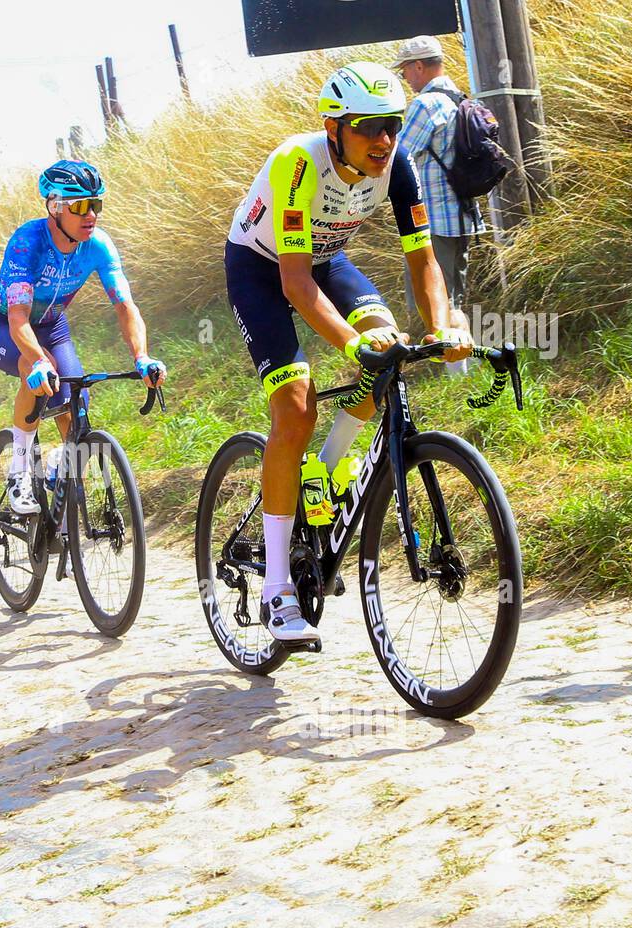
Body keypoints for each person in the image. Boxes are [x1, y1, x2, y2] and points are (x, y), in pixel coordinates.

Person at [225, 60, 472, 645]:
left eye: (392, 124)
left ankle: (328, 468)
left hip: (327, 261)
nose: (384, 140)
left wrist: (440, 328)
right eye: (368, 127)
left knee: (393, 349)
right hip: (263, 270)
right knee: (295, 407)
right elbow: (293, 284)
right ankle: (277, 587)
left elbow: (423, 260)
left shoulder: (399, 166)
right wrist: (351, 343)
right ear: (335, 127)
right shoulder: (297, 163)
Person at [0, 159, 165, 515]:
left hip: (52, 326)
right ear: (55, 206)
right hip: (3, 325)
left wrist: (142, 356)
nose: (90, 215)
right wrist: (35, 359)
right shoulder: (26, 242)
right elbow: (18, 317)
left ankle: (59, 473)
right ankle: (19, 472)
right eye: (80, 206)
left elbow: (126, 306)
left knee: (75, 401)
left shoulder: (99, 246)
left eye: (96, 205)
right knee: (37, 370)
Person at [394, 35, 486, 374]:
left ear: (419, 66)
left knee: (435, 298)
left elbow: (398, 157)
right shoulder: (458, 98)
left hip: (434, 220)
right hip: (460, 216)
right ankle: (462, 372)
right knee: (452, 297)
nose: (405, 77)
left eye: (405, 69)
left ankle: (456, 376)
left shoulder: (426, 104)